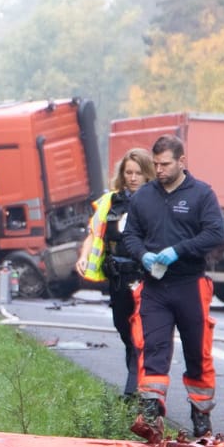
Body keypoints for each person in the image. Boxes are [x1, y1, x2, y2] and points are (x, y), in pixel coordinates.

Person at [122, 135, 224, 441]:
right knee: (152, 348)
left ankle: (201, 415)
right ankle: (151, 414)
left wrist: (178, 250)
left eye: (165, 164)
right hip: (154, 287)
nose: (159, 170)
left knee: (197, 353)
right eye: (155, 164)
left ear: (182, 161)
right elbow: (130, 235)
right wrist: (142, 254)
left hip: (190, 284)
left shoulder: (201, 194)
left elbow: (215, 233)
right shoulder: (144, 197)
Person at [75, 148, 155, 399]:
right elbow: (94, 234)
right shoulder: (110, 202)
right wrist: (84, 256)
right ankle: (136, 380)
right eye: (128, 172)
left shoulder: (157, 201)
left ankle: (134, 389)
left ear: (147, 174)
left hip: (145, 279)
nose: (133, 178)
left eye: (138, 173)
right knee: (123, 328)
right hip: (118, 278)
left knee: (141, 333)